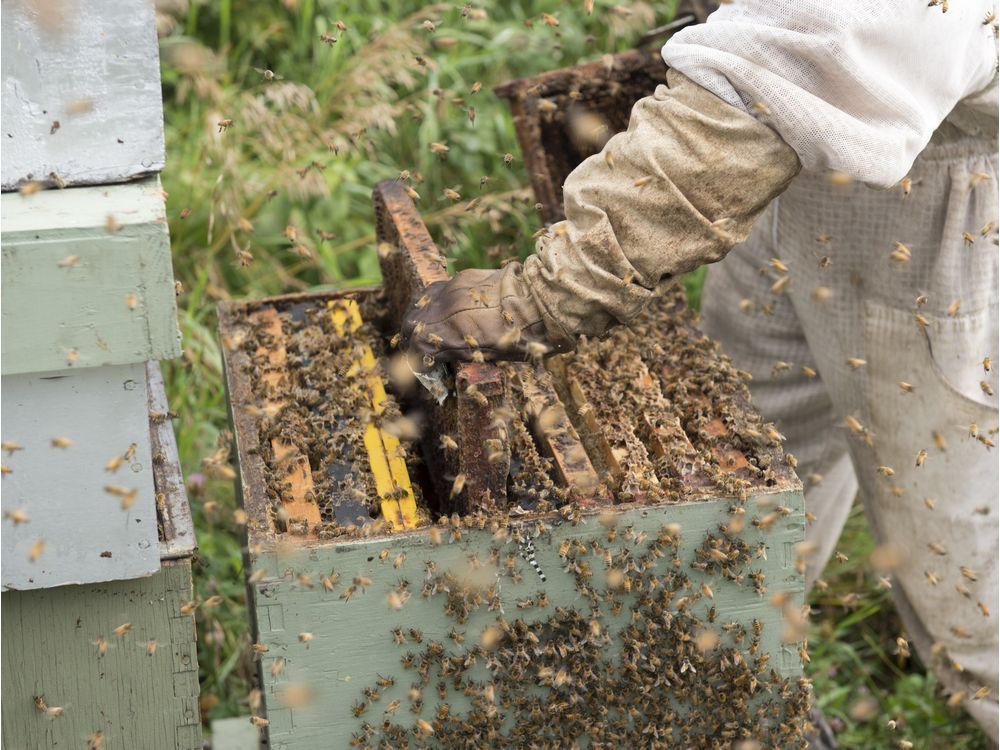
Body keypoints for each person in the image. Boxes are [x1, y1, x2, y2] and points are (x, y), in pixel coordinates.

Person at [401, 2, 999, 742]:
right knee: (735, 485)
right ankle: (733, 685)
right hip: (789, 165)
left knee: (964, 586)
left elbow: (807, 53)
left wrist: (544, 293)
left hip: (943, 196)